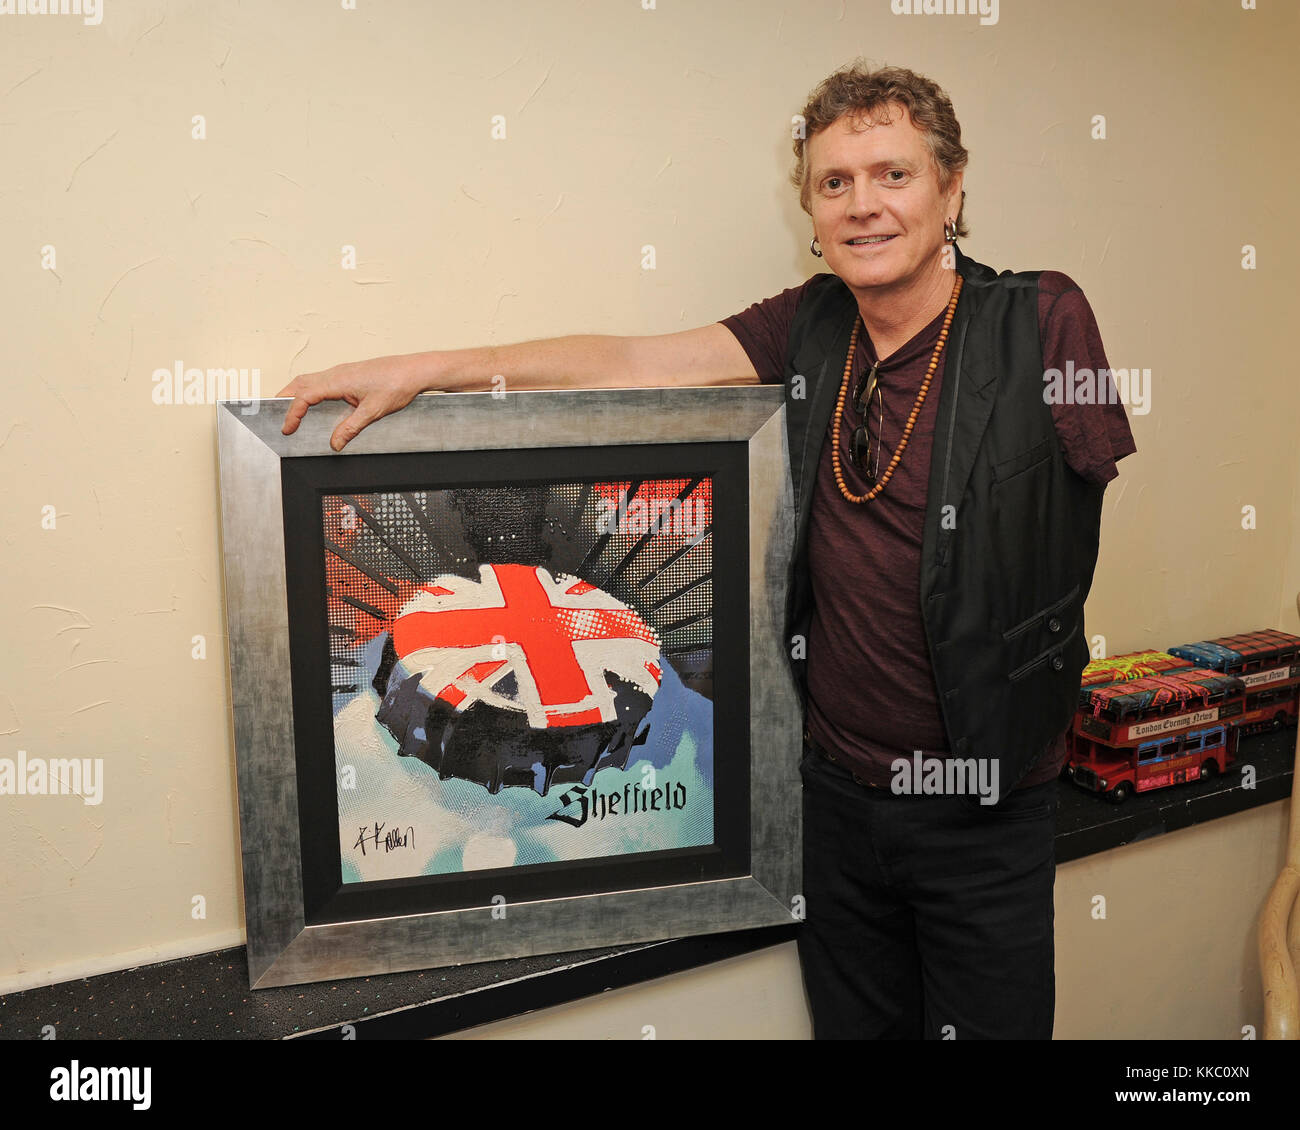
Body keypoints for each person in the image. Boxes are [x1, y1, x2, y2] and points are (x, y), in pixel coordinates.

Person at [278, 60, 1137, 1039]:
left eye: (893, 174)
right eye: (834, 182)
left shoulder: (1041, 319)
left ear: (951, 186)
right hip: (836, 807)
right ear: (810, 211)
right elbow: (636, 362)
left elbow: (1067, 534)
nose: (864, 205)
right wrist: (430, 372)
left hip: (983, 812)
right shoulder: (810, 324)